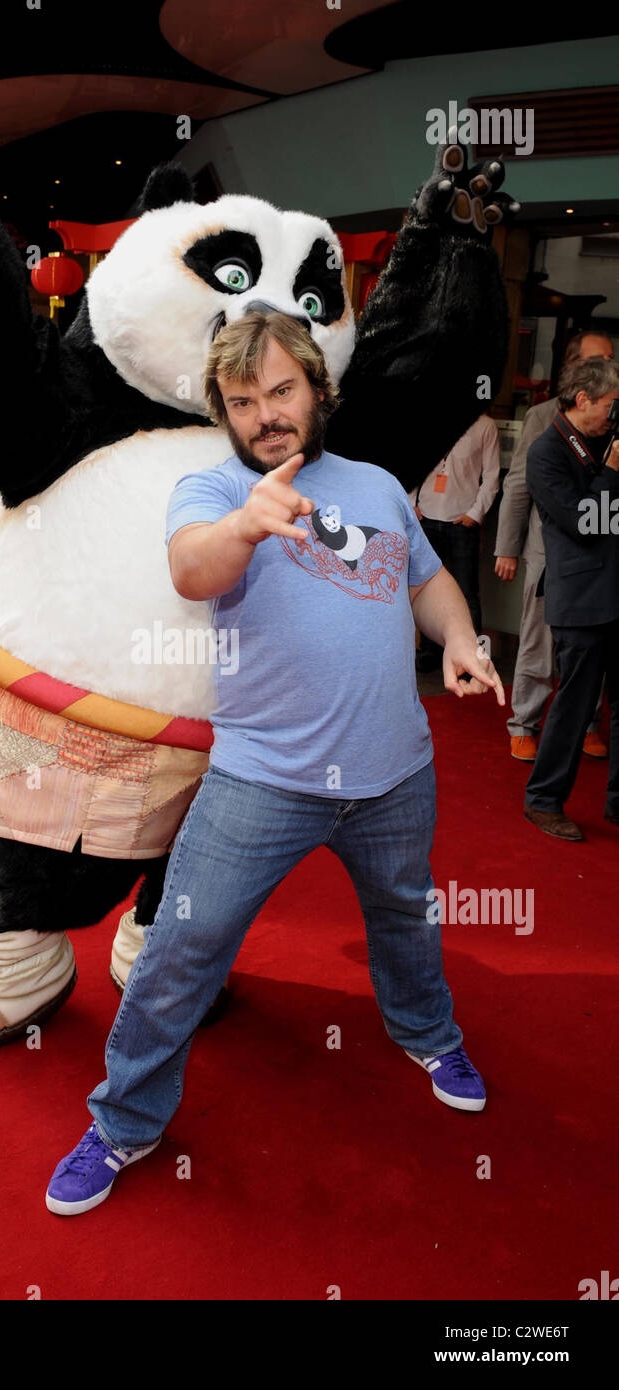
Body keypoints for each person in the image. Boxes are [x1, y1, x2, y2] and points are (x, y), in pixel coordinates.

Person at [46, 312, 505, 1216]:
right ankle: (123, 1124)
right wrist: (247, 528)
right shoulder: (211, 490)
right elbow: (191, 571)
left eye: (282, 390)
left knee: (407, 917)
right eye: (243, 399)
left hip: (395, 776)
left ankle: (426, 1032)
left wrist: (457, 635)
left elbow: (423, 578)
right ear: (224, 409)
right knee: (181, 950)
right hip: (263, 781)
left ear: (318, 389)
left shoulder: (376, 484)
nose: (265, 415)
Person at [495, 330, 615, 760]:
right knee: (539, 643)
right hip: (549, 552)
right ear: (574, 371)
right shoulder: (544, 417)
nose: (608, 366)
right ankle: (524, 722)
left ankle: (586, 724)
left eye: (611, 358)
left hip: (598, 555)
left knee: (594, 646)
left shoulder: (609, 421)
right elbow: (518, 485)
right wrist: (506, 547)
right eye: (597, 360)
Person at [523, 355, 619, 841]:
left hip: (616, 592)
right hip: (581, 600)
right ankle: (543, 801)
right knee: (575, 707)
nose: (612, 414)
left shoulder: (603, 442)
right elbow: (588, 521)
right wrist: (614, 473)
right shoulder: (547, 453)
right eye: (608, 405)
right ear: (583, 401)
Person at [411, 413, 500, 672]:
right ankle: (429, 651)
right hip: (425, 516)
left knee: (466, 590)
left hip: (462, 521)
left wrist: (475, 514)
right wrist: (412, 502)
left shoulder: (485, 426)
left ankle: (472, 656)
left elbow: (492, 476)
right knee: (425, 587)